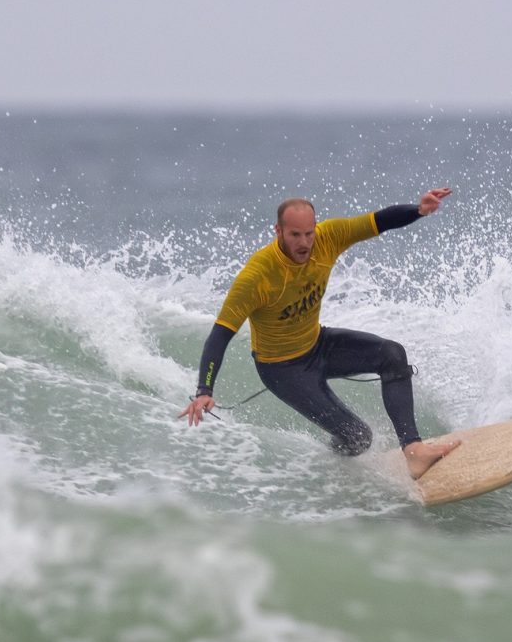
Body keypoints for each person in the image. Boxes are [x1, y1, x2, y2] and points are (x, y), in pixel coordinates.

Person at [177, 188, 461, 479]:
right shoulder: (258, 276)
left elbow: (378, 221)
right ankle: (331, 469)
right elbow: (220, 334)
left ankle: (413, 451)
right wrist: (204, 391)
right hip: (282, 369)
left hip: (317, 345)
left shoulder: (329, 237)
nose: (304, 243)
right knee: (358, 438)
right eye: (295, 235)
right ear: (279, 231)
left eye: (309, 234)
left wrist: (418, 210)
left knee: (392, 354)